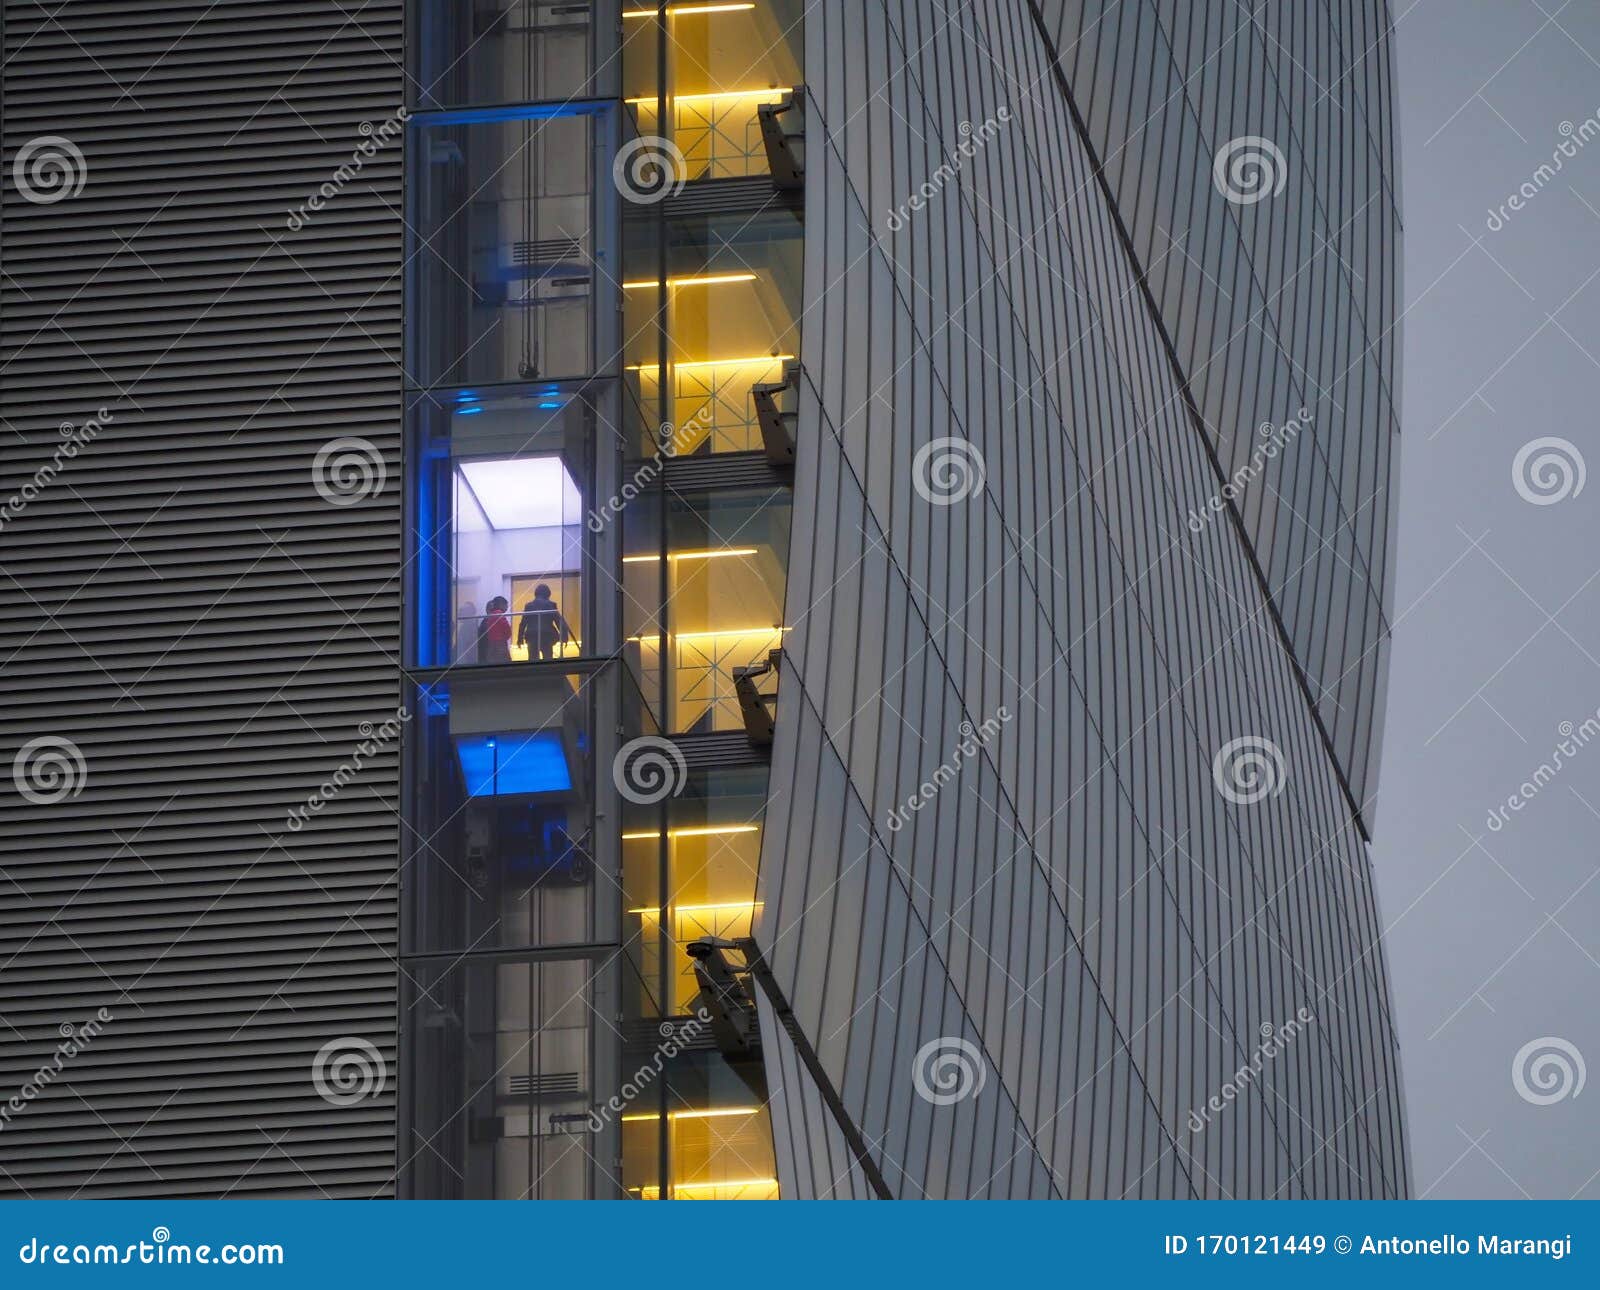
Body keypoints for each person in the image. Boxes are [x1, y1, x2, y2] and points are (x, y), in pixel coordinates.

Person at [517, 584, 571, 661]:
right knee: (548, 658)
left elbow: (523, 623)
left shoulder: (528, 606)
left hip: (532, 635)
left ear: (536, 593)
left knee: (532, 659)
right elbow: (558, 621)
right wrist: (564, 636)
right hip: (547, 635)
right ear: (548, 594)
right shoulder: (551, 604)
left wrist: (520, 639)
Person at [479, 596, 512, 665]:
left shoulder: (490, 616)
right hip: (500, 644)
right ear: (502, 604)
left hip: (491, 645)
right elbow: (508, 631)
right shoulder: (500, 614)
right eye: (506, 605)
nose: (507, 608)